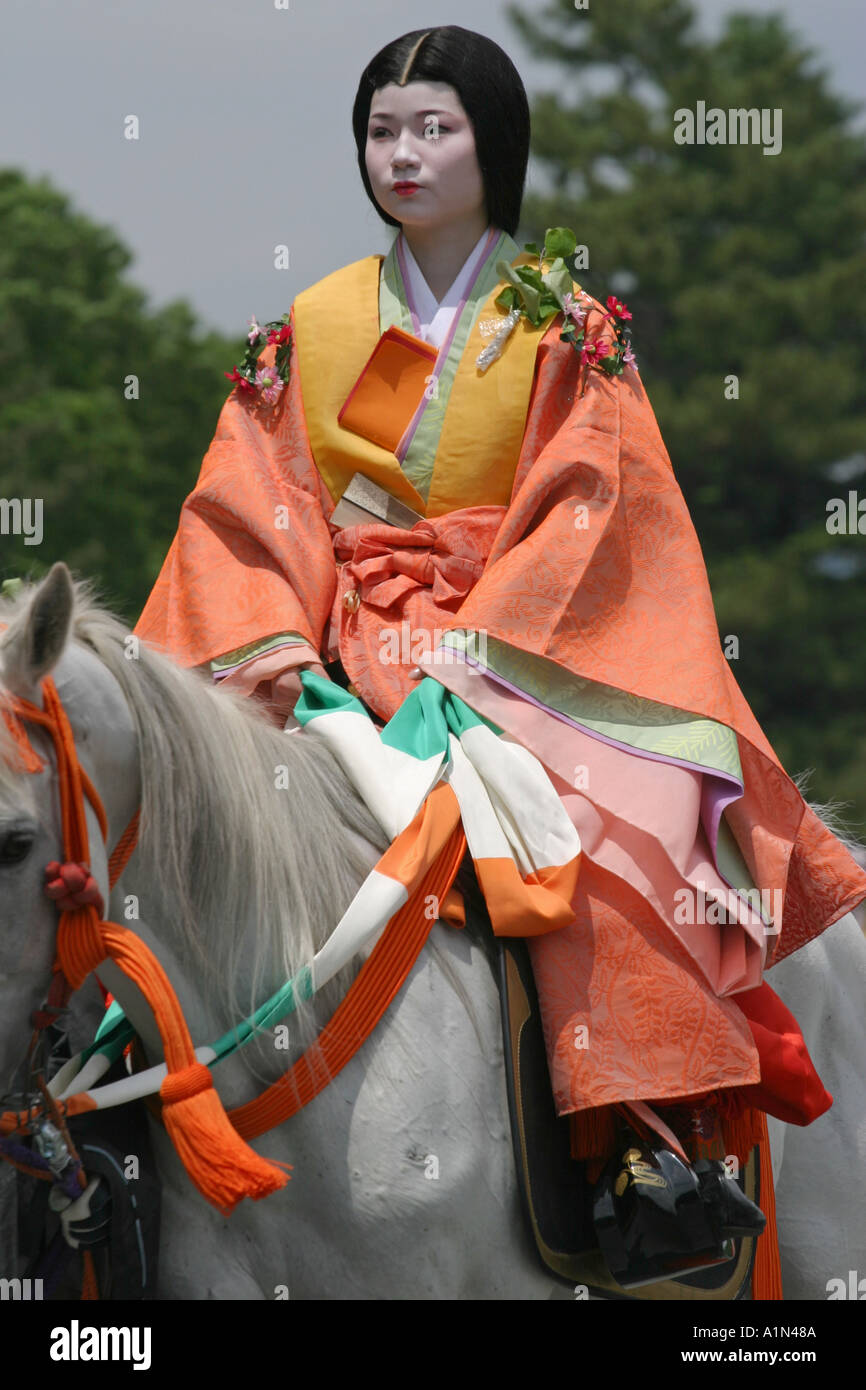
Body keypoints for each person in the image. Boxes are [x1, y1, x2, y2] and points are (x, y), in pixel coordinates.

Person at [135, 26, 866, 1279]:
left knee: (586, 851)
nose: (403, 154)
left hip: (510, 659)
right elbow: (247, 512)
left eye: (434, 128)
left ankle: (645, 1139)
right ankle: (100, 1136)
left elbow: (597, 504)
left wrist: (472, 650)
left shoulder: (563, 326)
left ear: (494, 145)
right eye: (382, 130)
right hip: (324, 659)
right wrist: (271, 649)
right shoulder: (311, 326)